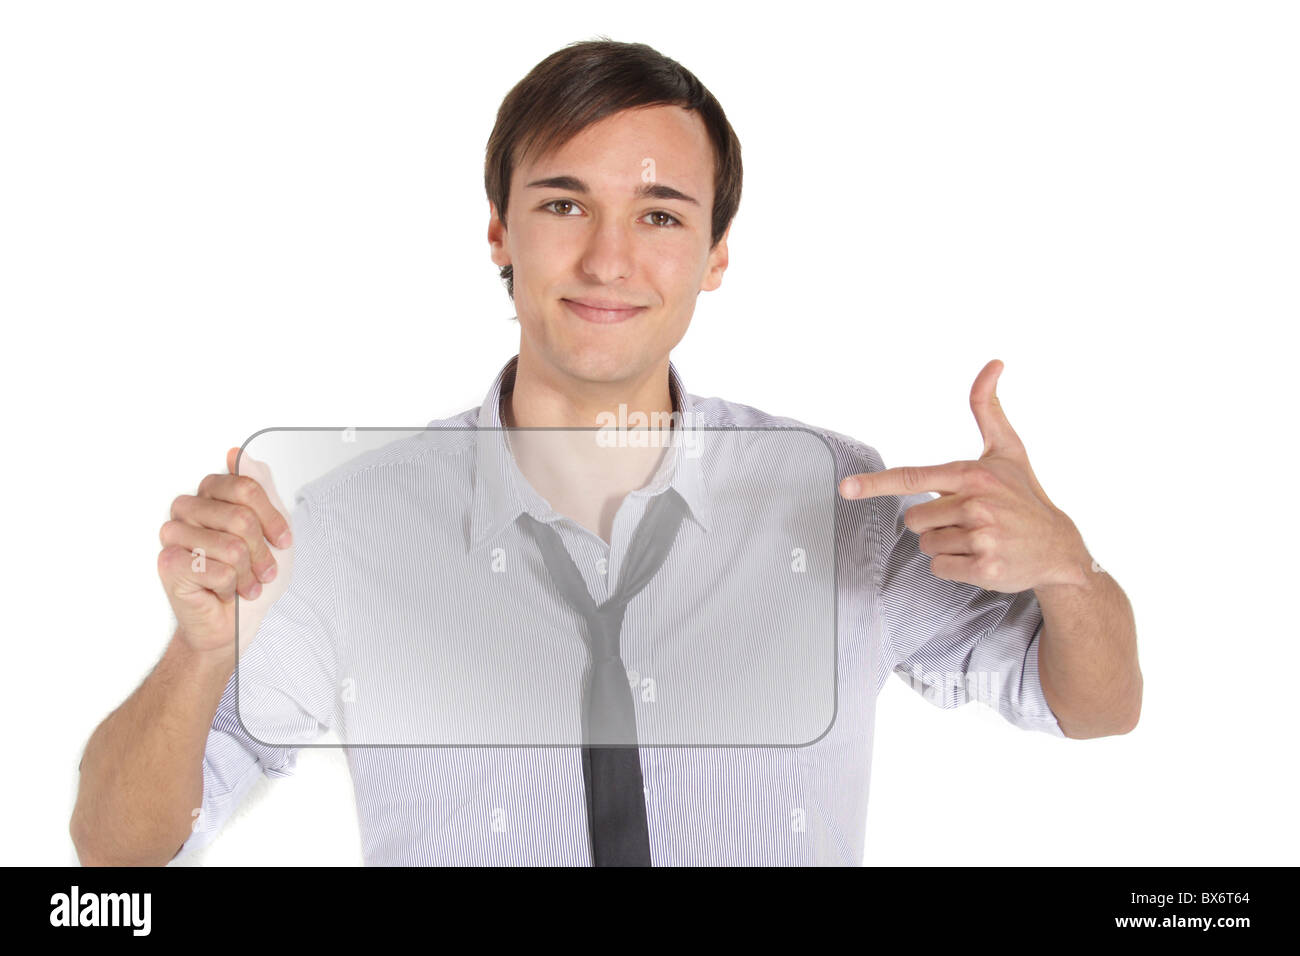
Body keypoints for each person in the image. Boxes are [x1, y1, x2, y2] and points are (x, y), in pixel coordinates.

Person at [70, 37, 1142, 867]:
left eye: (662, 214)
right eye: (563, 202)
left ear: (716, 254)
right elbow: (116, 850)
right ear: (498, 229)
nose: (609, 257)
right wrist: (199, 650)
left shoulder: (836, 498)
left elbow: (1094, 705)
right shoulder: (349, 530)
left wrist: (1068, 571)